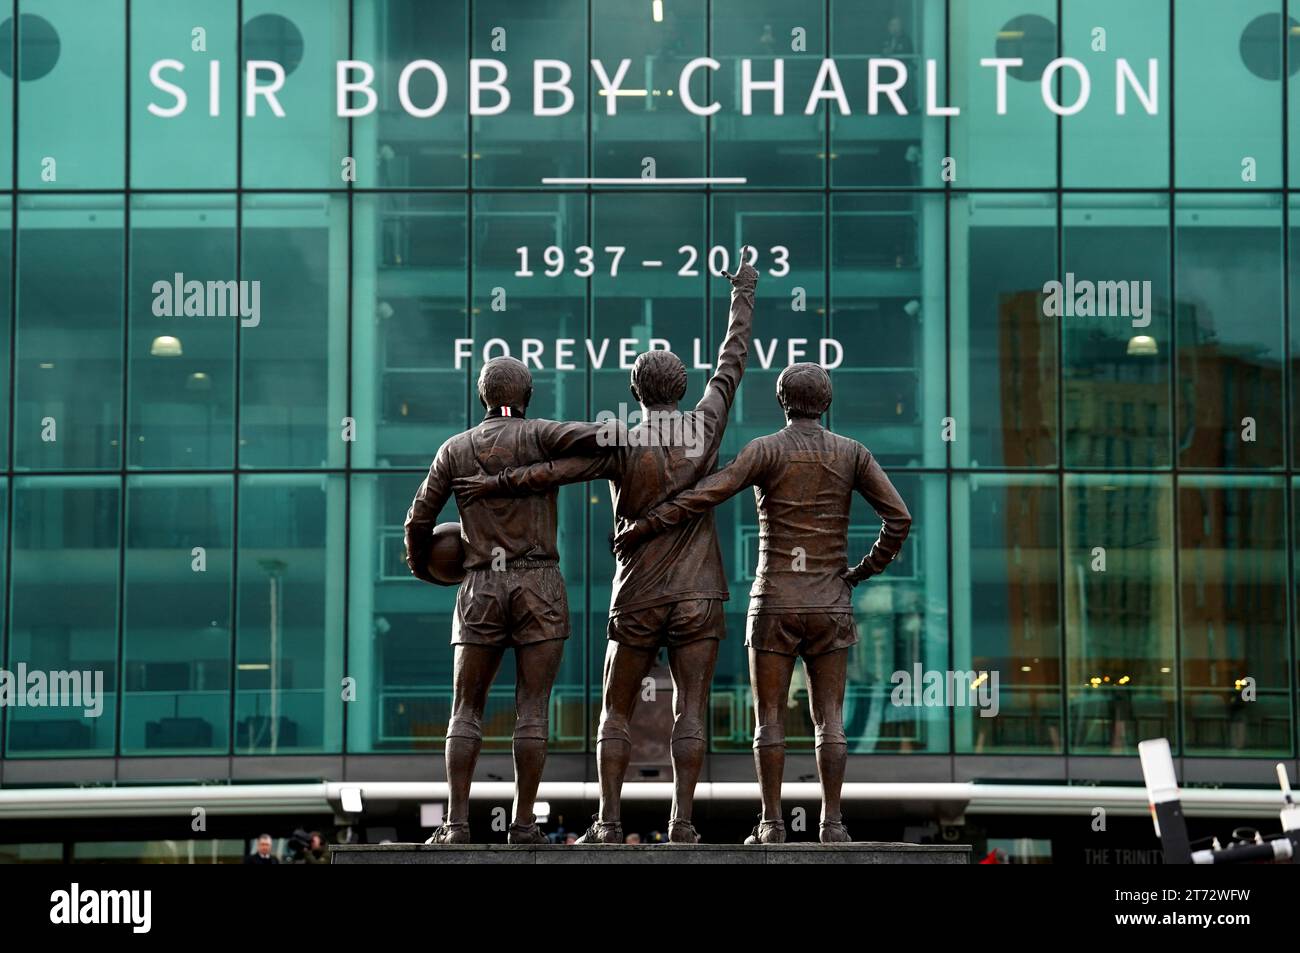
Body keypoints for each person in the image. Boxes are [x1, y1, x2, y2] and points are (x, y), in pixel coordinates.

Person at [453, 250, 758, 843]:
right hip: (700, 593)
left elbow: (553, 472)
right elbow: (733, 359)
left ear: (635, 390)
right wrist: (742, 290)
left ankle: (609, 822)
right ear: (684, 388)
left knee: (615, 711)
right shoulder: (706, 426)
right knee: (690, 710)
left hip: (639, 594)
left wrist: (494, 482)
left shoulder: (622, 441)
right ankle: (683, 825)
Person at [613, 363, 911, 843]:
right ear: (826, 403)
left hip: (774, 599)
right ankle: (832, 824)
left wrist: (649, 523)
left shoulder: (765, 450)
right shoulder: (852, 453)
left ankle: (772, 824)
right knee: (829, 717)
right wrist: (863, 570)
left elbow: (712, 491)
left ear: (782, 403)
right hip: (830, 600)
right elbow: (899, 518)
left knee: (768, 717)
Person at [404, 357, 607, 845]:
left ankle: (455, 825)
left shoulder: (454, 449)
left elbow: (417, 523)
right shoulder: (541, 434)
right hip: (539, 582)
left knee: (465, 708)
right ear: (528, 396)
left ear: (482, 397)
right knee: (532, 707)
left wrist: (425, 570)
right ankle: (523, 825)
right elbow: (606, 436)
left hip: (480, 585)